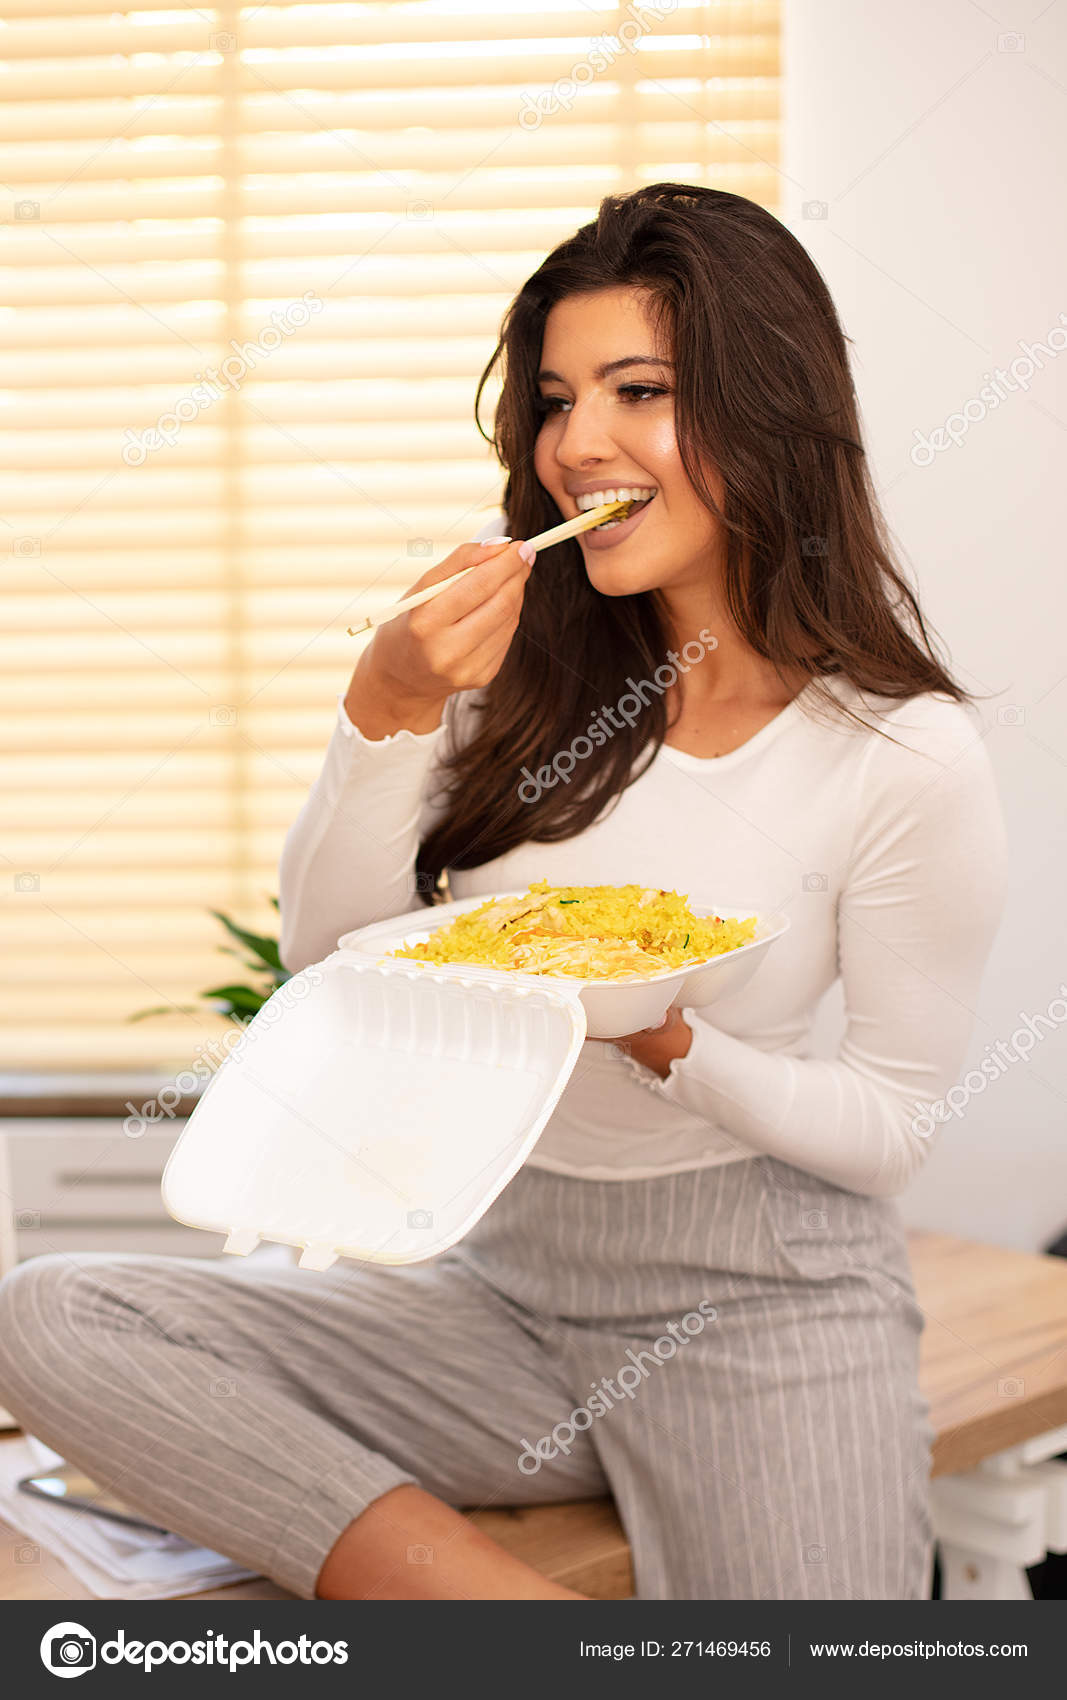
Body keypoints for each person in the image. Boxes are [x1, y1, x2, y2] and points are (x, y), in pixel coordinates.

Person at [0, 184, 1007, 1601]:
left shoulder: (903, 756)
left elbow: (893, 1126)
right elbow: (336, 953)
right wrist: (386, 708)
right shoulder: (513, 669)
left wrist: (668, 1041)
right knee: (55, 1318)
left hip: (762, 1292)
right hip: (498, 1282)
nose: (575, 441)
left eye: (638, 391)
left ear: (771, 412)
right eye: (554, 399)